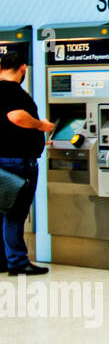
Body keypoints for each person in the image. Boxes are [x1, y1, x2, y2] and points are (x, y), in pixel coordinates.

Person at [0, 52, 52, 276]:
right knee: (15, 212)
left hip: (3, 159)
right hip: (17, 162)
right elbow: (16, 117)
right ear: (23, 69)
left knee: (2, 211)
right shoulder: (13, 92)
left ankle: (4, 260)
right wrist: (40, 126)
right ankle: (18, 262)